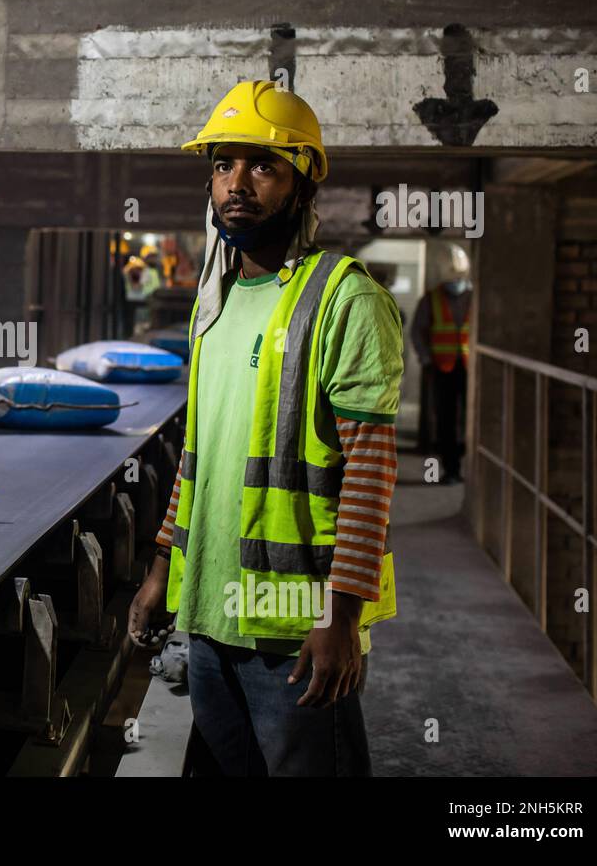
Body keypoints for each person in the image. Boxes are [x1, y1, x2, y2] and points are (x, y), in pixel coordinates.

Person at [127, 80, 405, 776]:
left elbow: (370, 474)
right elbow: (199, 456)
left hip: (293, 628)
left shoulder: (345, 299)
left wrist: (340, 621)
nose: (236, 184)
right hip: (210, 619)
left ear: (302, 182)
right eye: (223, 164)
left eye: (262, 165)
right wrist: (163, 566)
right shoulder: (214, 304)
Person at [412, 254, 472, 482]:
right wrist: (426, 358)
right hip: (441, 367)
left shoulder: (475, 297)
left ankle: (467, 467)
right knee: (445, 418)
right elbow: (418, 330)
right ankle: (451, 469)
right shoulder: (431, 299)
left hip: (470, 369)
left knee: (468, 419)